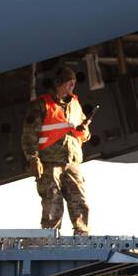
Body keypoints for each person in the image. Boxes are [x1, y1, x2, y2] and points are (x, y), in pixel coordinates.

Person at [20, 64, 92, 235]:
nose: (72, 87)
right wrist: (33, 158)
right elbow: (29, 134)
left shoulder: (75, 104)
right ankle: (50, 238)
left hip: (72, 162)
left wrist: (84, 131)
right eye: (69, 83)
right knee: (52, 203)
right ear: (58, 83)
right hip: (49, 163)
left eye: (73, 83)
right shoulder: (42, 104)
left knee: (80, 202)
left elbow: (84, 135)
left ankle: (82, 235)